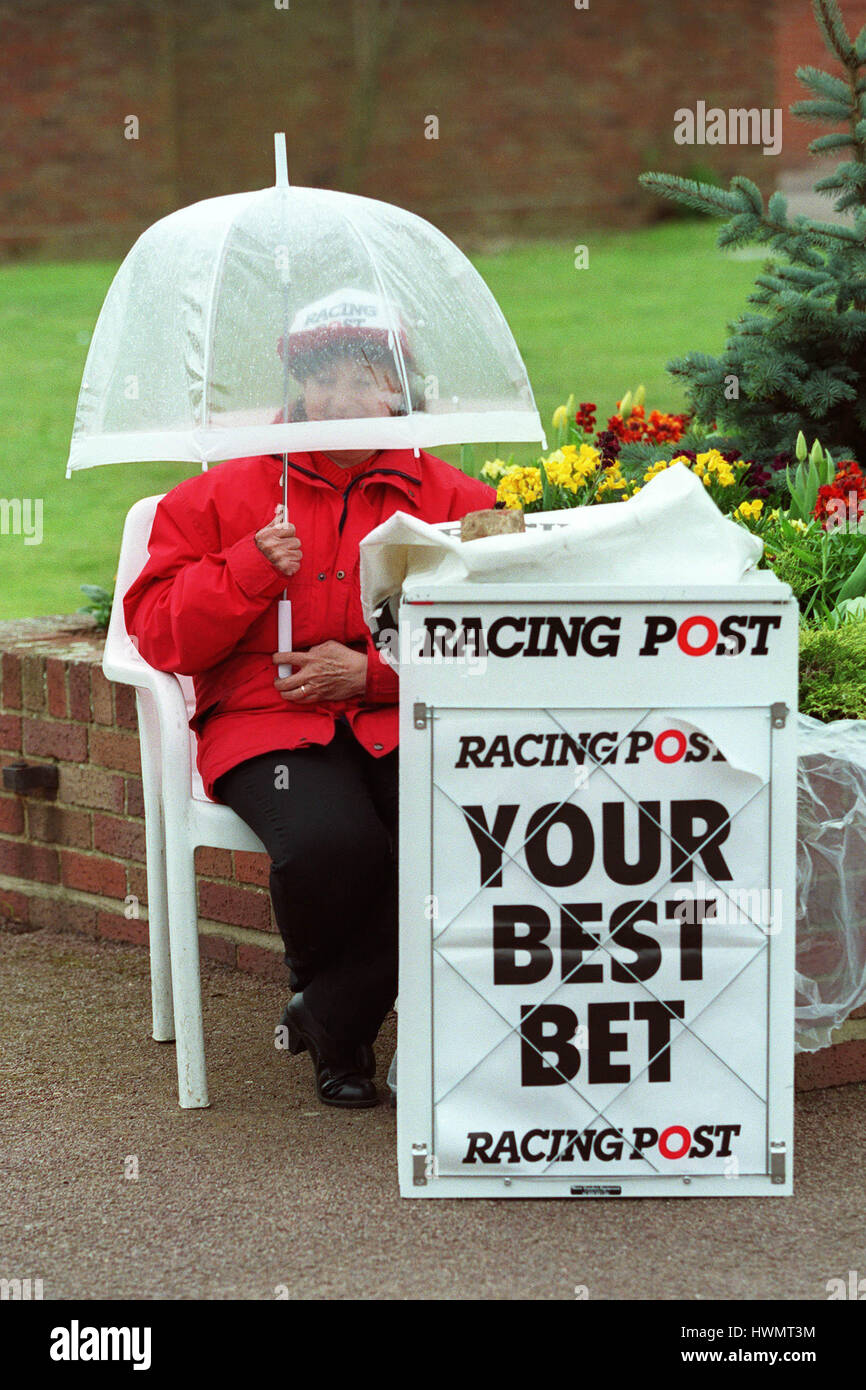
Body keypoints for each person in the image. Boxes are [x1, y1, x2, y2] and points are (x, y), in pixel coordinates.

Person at [123, 289, 496, 1108]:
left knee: (466, 839)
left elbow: (495, 646)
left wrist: (373, 677)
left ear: (402, 389)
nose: (339, 400)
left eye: (363, 377)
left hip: (405, 718)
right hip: (268, 723)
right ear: (295, 390)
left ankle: (329, 1013)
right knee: (333, 845)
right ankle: (346, 1036)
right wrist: (250, 568)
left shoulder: (457, 503)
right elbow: (160, 635)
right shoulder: (223, 495)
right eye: (319, 380)